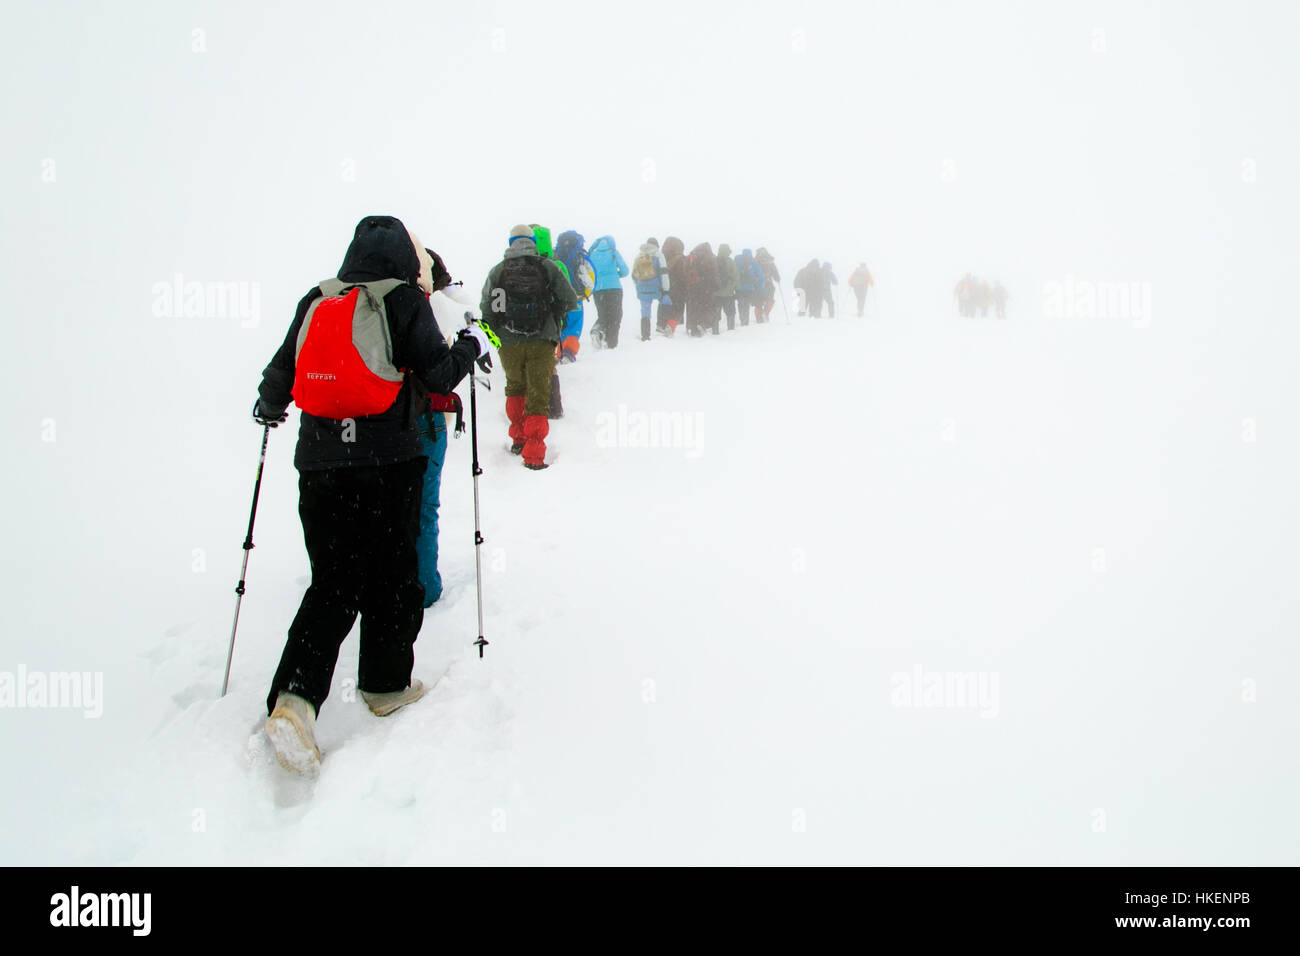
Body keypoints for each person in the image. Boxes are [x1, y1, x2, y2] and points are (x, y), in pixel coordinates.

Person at [253, 215, 490, 774]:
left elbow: (281, 371)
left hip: (319, 461)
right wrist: (469, 344)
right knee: (392, 572)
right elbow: (437, 376)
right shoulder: (404, 299)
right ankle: (385, 685)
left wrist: (268, 403)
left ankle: (294, 701)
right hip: (390, 461)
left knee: (332, 580)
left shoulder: (318, 298)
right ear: (406, 260)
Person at [481, 224, 577, 470]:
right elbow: (569, 299)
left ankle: (518, 440)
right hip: (541, 340)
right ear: (532, 241)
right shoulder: (547, 267)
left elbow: (488, 311)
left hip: (508, 342)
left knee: (515, 388)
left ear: (511, 241)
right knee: (538, 395)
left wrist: (496, 341)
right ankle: (534, 455)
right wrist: (553, 318)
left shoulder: (498, 271)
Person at [553, 230, 593, 362]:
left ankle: (559, 352)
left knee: (561, 323)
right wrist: (587, 292)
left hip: (559, 295)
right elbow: (591, 277)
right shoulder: (580, 255)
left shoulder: (556, 253)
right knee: (575, 324)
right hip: (576, 295)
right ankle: (569, 351)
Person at [587, 235, 629, 349]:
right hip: (614, 288)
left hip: (598, 290)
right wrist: (616, 275)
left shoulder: (593, 254)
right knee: (615, 316)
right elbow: (625, 271)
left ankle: (597, 330)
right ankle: (611, 345)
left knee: (603, 314)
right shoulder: (613, 252)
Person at [632, 237, 670, 340]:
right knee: (666, 303)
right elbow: (664, 273)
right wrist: (666, 289)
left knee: (645, 311)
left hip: (642, 287)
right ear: (657, 246)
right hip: (656, 286)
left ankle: (645, 335)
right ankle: (663, 326)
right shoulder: (658, 255)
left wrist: (638, 286)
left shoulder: (639, 255)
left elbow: (634, 275)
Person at [684, 242, 720, 336]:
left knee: (694, 308)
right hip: (706, 287)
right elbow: (714, 273)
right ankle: (703, 325)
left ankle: (693, 328)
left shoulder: (691, 257)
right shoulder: (710, 257)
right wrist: (716, 286)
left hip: (692, 287)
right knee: (707, 307)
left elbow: (685, 272)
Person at [659, 236, 688, 335]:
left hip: (664, 288)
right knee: (678, 309)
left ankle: (660, 326)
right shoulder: (680, 259)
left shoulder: (661, 257)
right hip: (678, 289)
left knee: (664, 307)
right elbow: (683, 276)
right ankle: (670, 327)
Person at [735, 248, 763, 326]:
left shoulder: (738, 261)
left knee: (740, 304)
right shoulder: (753, 262)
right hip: (749, 288)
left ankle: (742, 320)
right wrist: (759, 286)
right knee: (746, 304)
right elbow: (760, 275)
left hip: (739, 287)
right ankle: (745, 321)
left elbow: (734, 273)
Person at [714, 244, 739, 331]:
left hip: (716, 293)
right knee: (730, 313)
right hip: (728, 293)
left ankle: (715, 331)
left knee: (715, 313)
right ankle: (731, 330)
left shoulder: (714, 261)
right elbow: (736, 277)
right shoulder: (731, 262)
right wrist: (736, 289)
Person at [754, 247, 780, 322]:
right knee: (770, 299)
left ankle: (759, 318)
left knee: (758, 302)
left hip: (758, 284)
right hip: (768, 284)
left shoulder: (755, 260)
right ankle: (765, 313)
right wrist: (777, 278)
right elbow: (775, 273)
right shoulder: (770, 261)